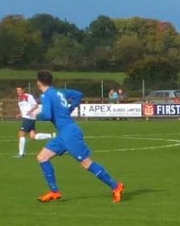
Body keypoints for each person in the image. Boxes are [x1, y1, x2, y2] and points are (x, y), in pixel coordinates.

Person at [33, 71, 122, 203]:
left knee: (86, 163)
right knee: (42, 157)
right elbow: (78, 95)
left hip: (69, 133)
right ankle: (54, 192)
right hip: (64, 133)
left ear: (39, 82)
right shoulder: (60, 91)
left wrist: (35, 116)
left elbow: (46, 115)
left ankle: (116, 186)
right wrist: (69, 109)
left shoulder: (46, 95)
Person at [16, 86, 52, 157]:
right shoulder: (19, 99)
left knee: (21, 135)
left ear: (23, 90)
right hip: (28, 118)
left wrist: (30, 111)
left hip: (28, 118)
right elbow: (23, 108)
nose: (18, 92)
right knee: (33, 137)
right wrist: (20, 114)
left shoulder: (28, 96)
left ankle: (21, 154)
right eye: (17, 91)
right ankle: (50, 136)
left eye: (20, 90)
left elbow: (36, 105)